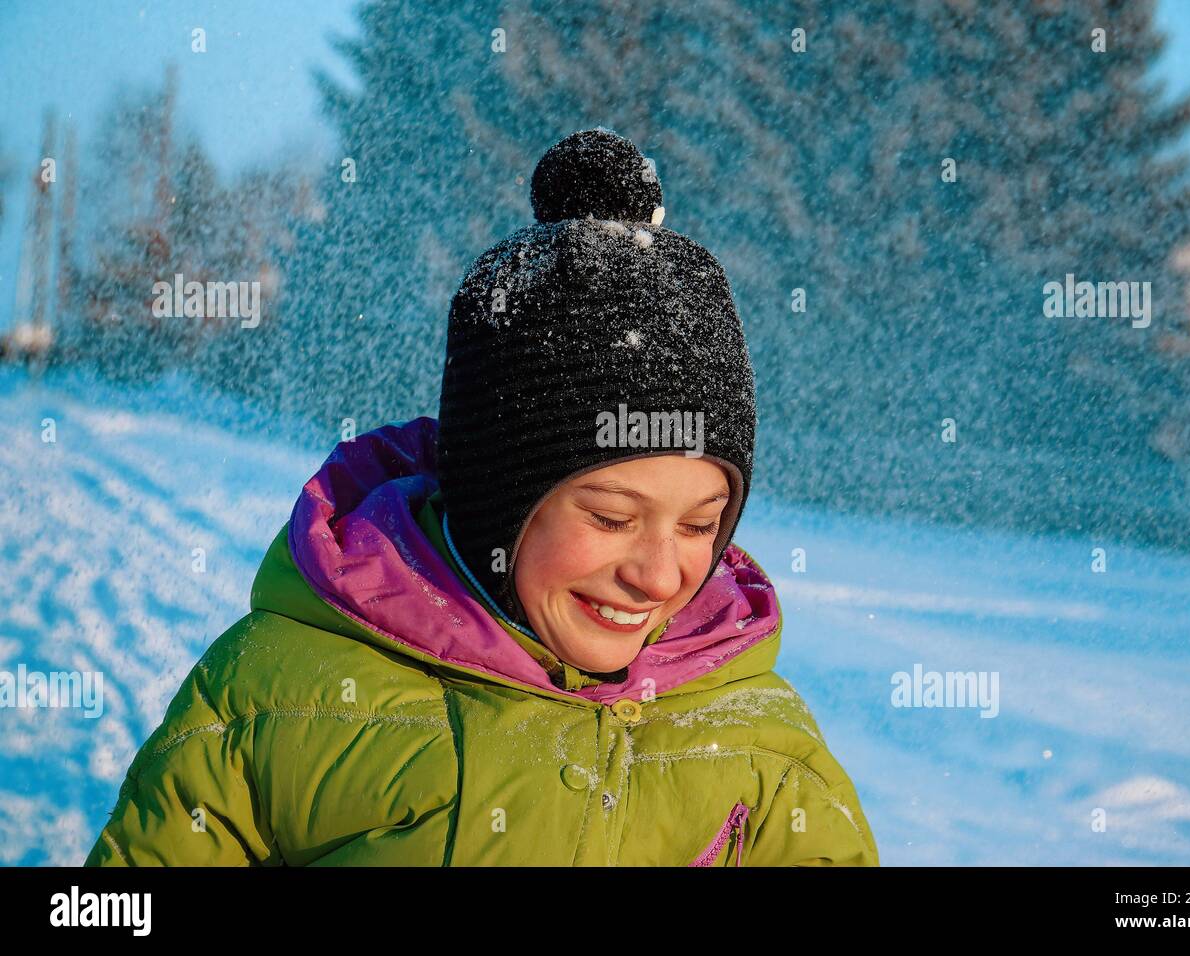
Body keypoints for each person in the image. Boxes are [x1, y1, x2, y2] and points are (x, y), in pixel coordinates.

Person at [84, 128, 880, 867]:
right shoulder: (278, 701)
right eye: (610, 517)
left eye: (702, 523)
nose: (659, 573)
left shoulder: (762, 749)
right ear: (497, 495)